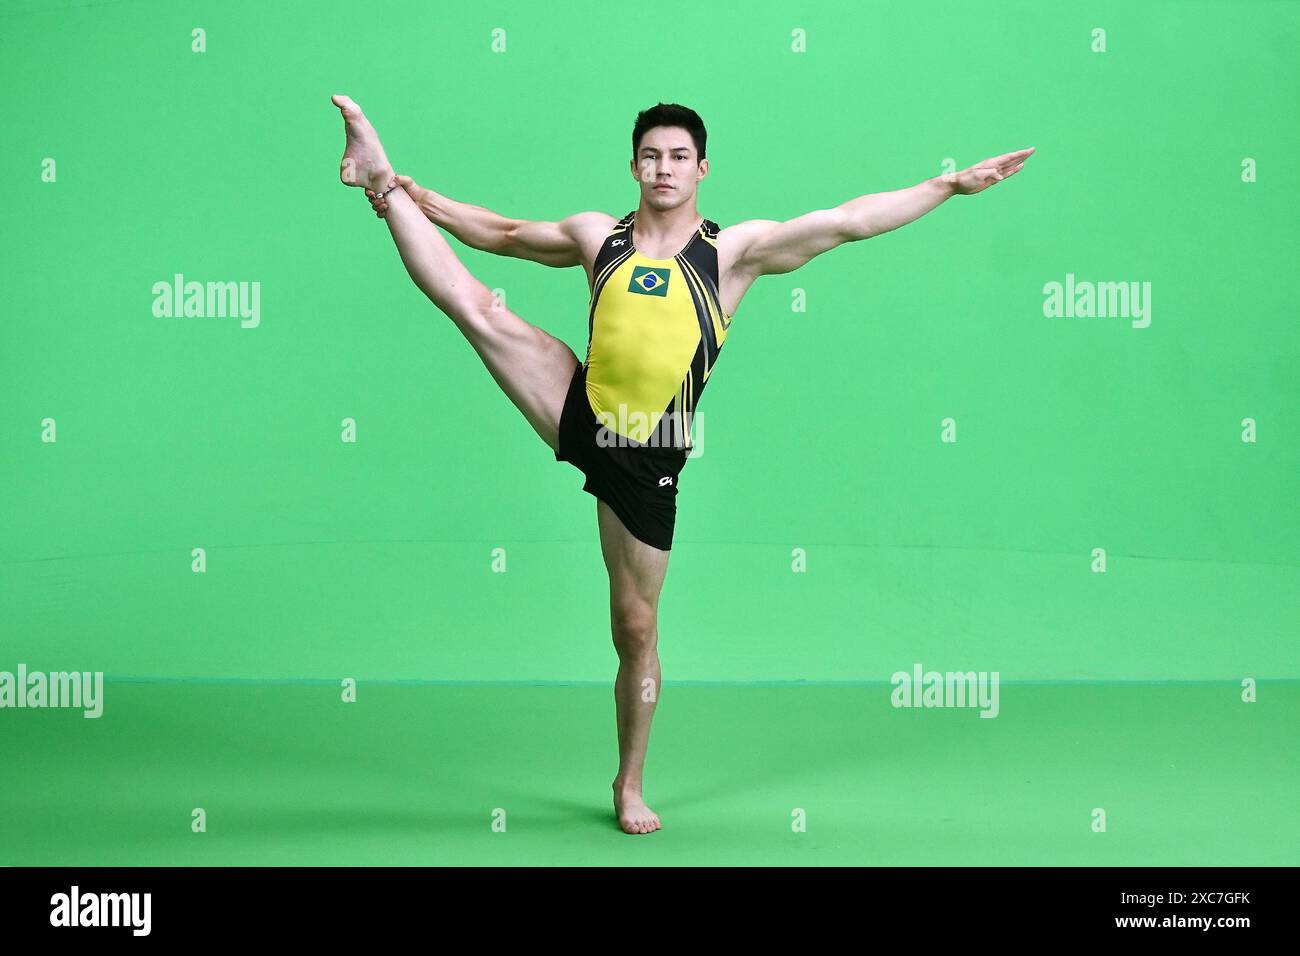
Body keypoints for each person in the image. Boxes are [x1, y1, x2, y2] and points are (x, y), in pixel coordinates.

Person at [331, 93, 1033, 834]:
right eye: (650, 156)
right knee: (480, 311)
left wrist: (950, 185)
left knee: (634, 629)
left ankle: (628, 784)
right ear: (633, 166)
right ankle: (375, 181)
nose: (663, 168)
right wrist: (412, 193)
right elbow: (501, 234)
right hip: (581, 405)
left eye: (678, 157)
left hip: (648, 457)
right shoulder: (595, 235)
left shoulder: (733, 254)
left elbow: (847, 221)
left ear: (701, 168)